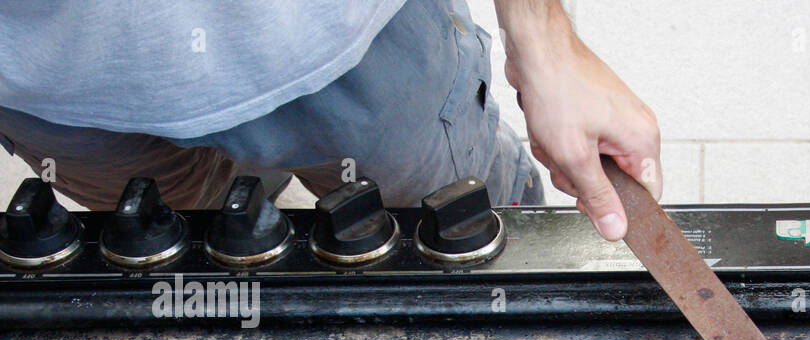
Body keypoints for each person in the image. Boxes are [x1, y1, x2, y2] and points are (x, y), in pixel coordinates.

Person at [0, 0, 661, 240]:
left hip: (348, 44)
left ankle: (512, 214)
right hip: (58, 86)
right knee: (182, 231)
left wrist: (544, 39)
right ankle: (248, 230)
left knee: (452, 205)